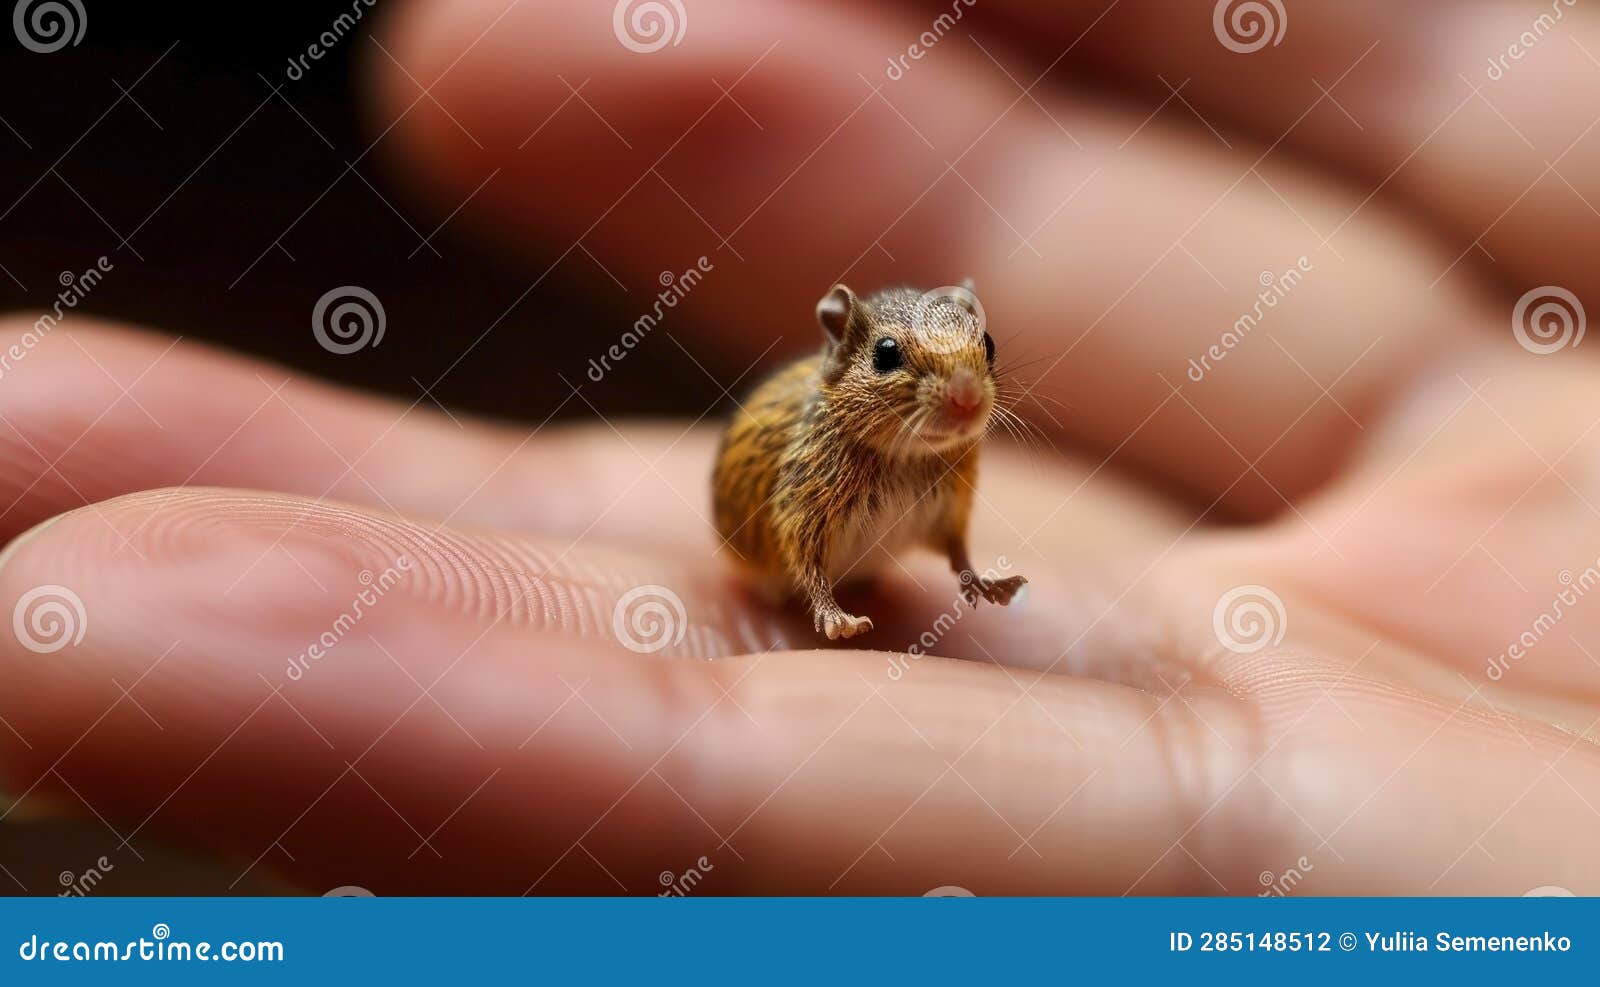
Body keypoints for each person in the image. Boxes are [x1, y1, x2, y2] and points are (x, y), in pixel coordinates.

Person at [0, 0, 1595, 895]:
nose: (955, 398)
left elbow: (945, 493)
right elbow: (802, 516)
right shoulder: (814, 439)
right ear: (849, 354)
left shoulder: (948, 432)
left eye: (974, 367)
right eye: (911, 368)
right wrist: (826, 593)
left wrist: (961, 557)